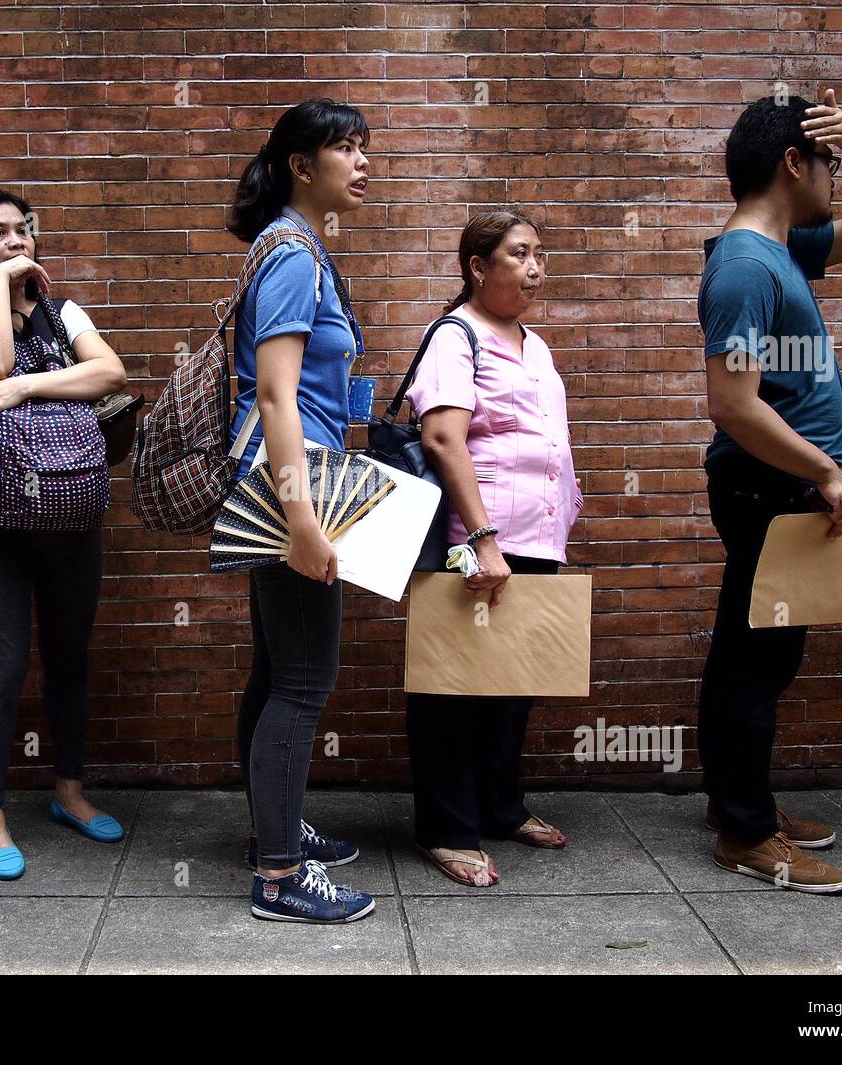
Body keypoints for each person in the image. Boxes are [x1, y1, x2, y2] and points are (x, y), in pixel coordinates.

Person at [698, 90, 842, 893]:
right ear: (793, 163)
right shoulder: (746, 264)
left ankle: (739, 806)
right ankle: (746, 833)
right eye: (831, 164)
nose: (836, 177)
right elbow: (733, 403)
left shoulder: (784, 247)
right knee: (758, 661)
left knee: (748, 654)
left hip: (778, 485)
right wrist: (823, 470)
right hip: (767, 486)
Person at [0, 188, 128, 881]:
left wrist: (26, 389)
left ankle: (68, 790)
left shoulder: (65, 312)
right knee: (2, 665)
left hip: (70, 506)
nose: (16, 242)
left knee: (69, 655)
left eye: (23, 232)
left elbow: (111, 371)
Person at [226, 98, 376, 923]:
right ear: (299, 164)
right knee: (306, 680)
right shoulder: (291, 252)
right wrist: (304, 518)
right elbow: (277, 395)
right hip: (290, 489)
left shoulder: (300, 246)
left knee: (277, 670)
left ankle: (268, 832)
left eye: (363, 148)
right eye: (343, 148)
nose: (361, 162)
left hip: (292, 482)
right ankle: (280, 876)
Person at [404, 211, 584, 887]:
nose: (535, 266)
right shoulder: (454, 336)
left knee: (514, 681)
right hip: (475, 539)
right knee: (453, 684)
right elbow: (445, 438)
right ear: (479, 267)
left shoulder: (532, 341)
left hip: (537, 537)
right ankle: (446, 827)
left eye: (539, 254)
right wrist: (481, 539)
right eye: (519, 254)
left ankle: (501, 806)